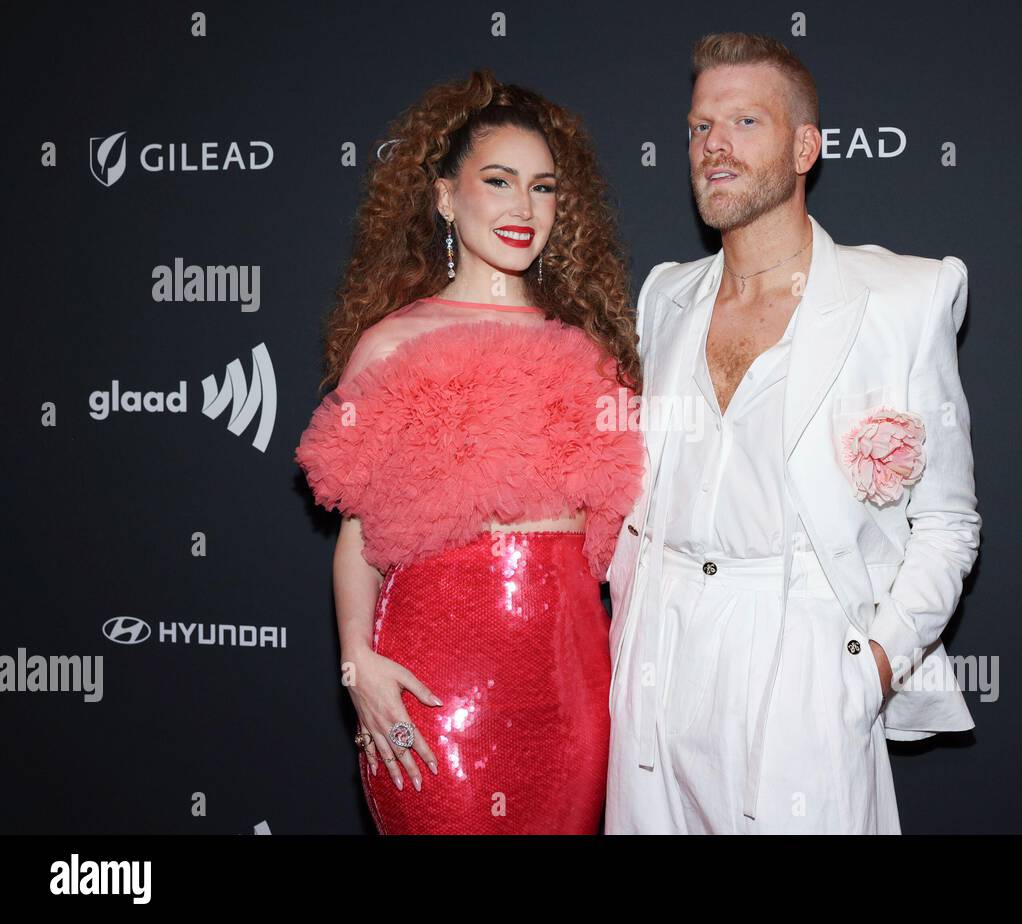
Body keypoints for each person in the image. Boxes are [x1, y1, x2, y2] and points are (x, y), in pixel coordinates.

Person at [604, 33, 982, 834]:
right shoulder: (665, 297)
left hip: (800, 658)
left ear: (806, 146)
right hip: (654, 657)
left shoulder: (904, 297)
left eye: (745, 122)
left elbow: (947, 524)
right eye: (700, 126)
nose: (713, 146)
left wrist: (870, 668)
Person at [294, 71, 644, 834]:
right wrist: (359, 666)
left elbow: (623, 546)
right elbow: (357, 535)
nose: (524, 208)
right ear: (447, 197)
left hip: (571, 687)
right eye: (499, 181)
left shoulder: (593, 356)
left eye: (544, 188)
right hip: (433, 686)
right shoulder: (391, 346)